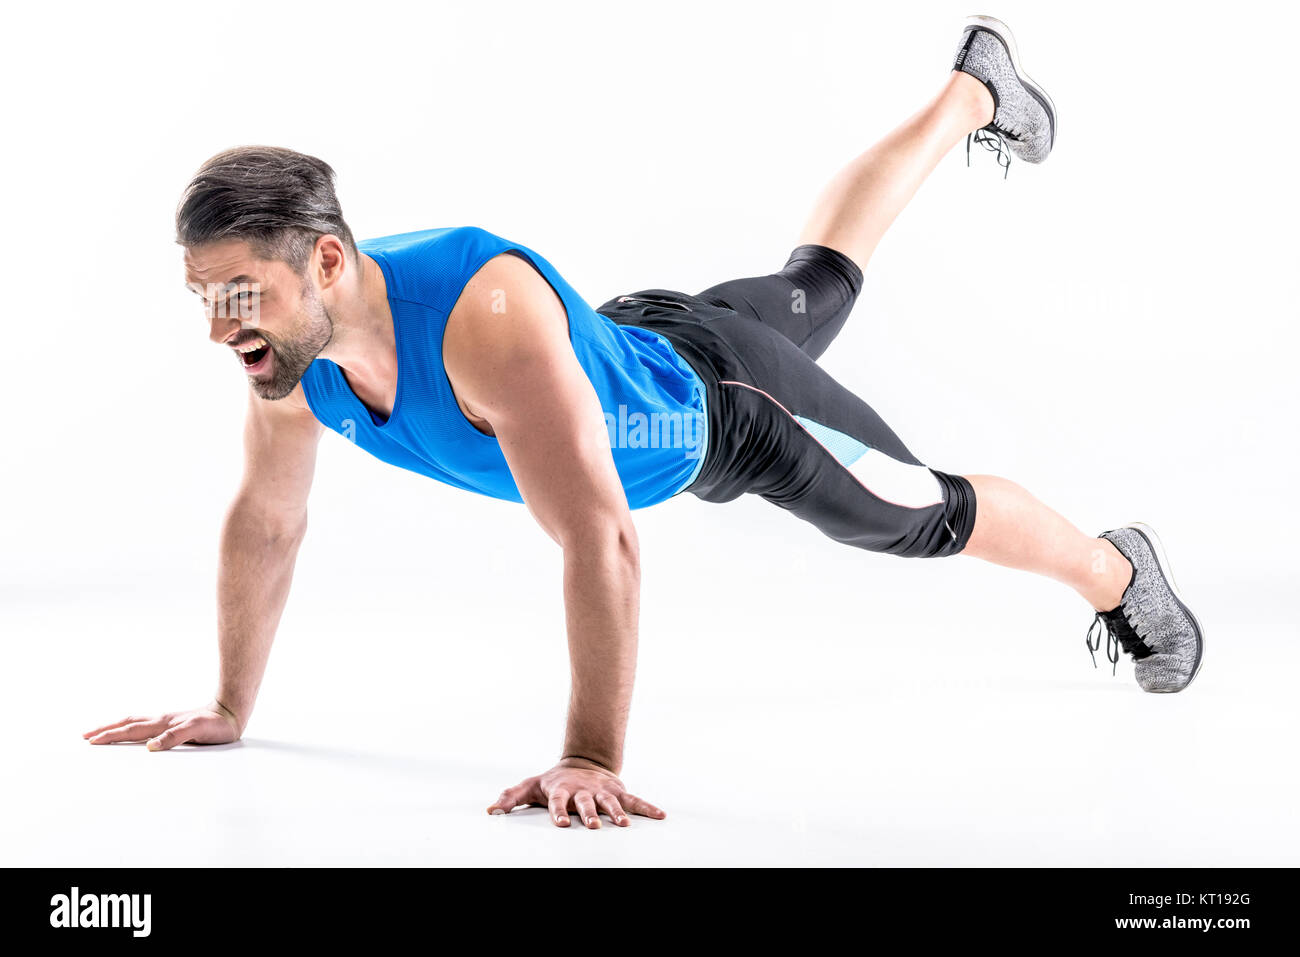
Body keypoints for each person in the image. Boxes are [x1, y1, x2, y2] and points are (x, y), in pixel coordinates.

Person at [84, 16, 1204, 830]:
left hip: (720, 414)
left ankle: (1116, 574)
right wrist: (231, 703)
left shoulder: (484, 316)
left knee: (911, 513)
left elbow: (601, 535)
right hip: (640, 346)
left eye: (240, 293)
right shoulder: (291, 354)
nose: (221, 325)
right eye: (204, 297)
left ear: (327, 258)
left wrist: (587, 756)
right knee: (819, 278)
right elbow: (268, 522)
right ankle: (975, 92)